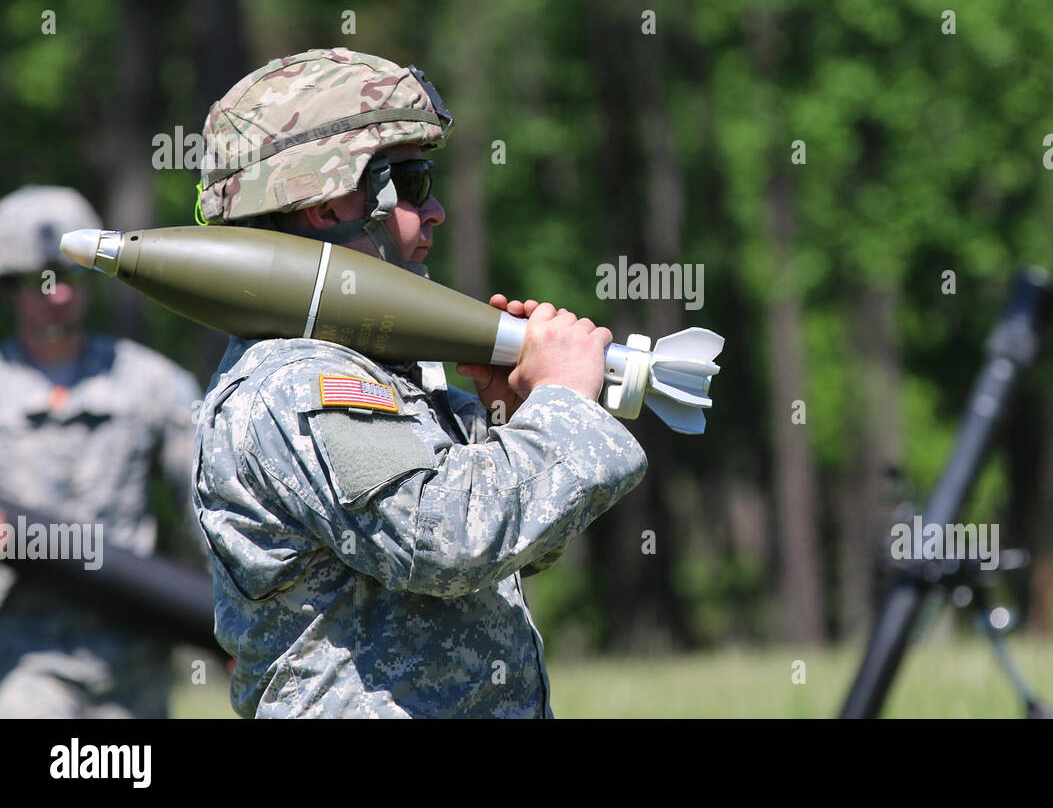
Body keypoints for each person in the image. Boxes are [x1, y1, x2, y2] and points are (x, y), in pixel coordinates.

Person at [193, 47, 647, 718]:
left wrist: (511, 417)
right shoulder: (298, 384)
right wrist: (561, 405)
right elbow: (447, 542)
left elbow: (508, 553)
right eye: (411, 183)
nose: (433, 211)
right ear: (326, 202)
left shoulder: (368, 371)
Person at [0, 185, 202, 718]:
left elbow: (209, 515)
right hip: (26, 658)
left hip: (135, 659)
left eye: (69, 275)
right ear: (9, 288)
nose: (57, 292)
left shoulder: (153, 384)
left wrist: (233, 615)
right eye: (39, 279)